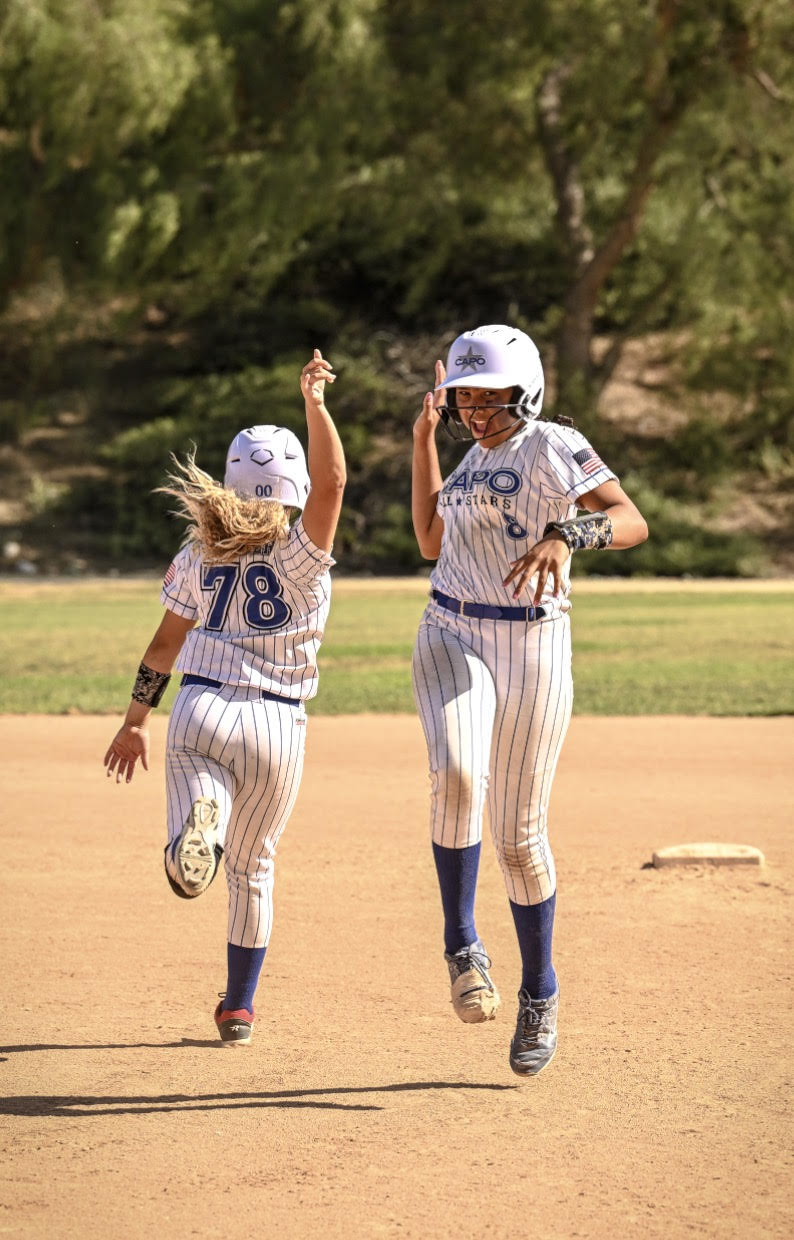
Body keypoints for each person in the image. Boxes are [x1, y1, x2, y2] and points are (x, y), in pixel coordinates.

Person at [411, 324, 648, 1076]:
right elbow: (426, 540)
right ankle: (461, 945)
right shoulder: (468, 458)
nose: (475, 412)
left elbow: (633, 520)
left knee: (518, 837)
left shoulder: (549, 445)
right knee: (455, 774)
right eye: (465, 399)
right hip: (451, 629)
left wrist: (566, 534)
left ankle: (539, 991)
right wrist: (423, 440)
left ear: (525, 390)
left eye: (488, 397)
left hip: (534, 644)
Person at [103, 349, 345, 1046]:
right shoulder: (301, 554)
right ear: (291, 486)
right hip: (277, 723)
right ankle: (238, 1007)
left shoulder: (197, 554)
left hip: (201, 708)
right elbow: (333, 480)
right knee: (253, 866)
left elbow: (161, 650)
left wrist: (132, 723)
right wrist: (317, 405)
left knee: (195, 844)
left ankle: (194, 826)